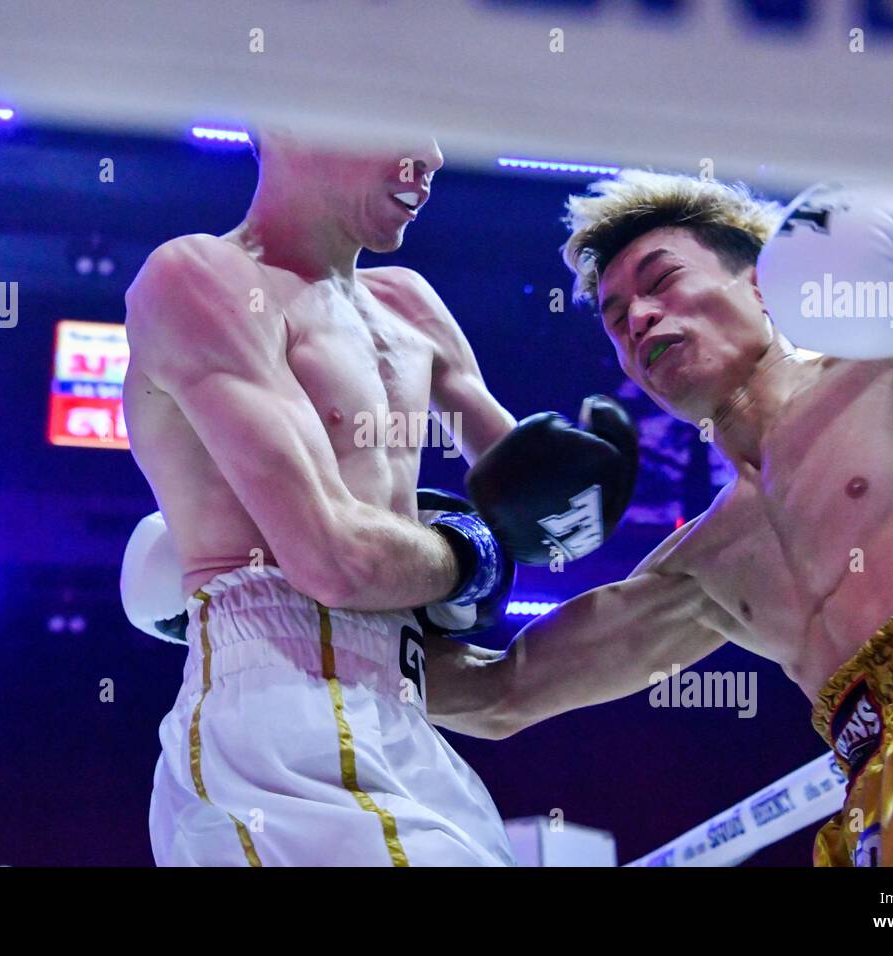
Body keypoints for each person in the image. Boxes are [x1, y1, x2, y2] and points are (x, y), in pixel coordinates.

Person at [427, 171, 893, 867]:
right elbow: (504, 692)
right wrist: (439, 572)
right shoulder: (708, 562)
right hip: (881, 800)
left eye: (661, 280)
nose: (638, 317)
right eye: (615, 316)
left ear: (763, 282)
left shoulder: (892, 366)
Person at [120, 128, 637, 866]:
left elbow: (530, 501)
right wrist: (476, 553)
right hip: (280, 716)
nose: (430, 158)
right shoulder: (201, 276)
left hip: (405, 715)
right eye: (401, 118)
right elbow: (334, 560)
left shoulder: (411, 309)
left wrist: (581, 502)